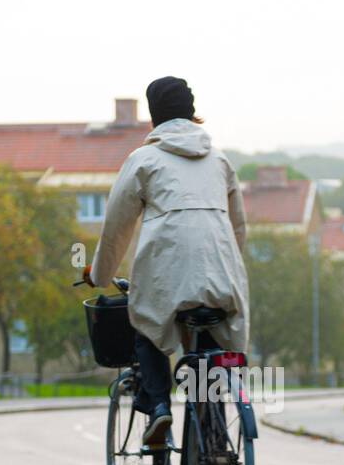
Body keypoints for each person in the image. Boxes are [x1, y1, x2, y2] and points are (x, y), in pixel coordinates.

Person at [83, 76, 249, 445]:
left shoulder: (143, 160)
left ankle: (158, 409)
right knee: (210, 349)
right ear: (193, 114)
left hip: (167, 274)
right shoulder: (220, 160)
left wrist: (99, 274)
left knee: (144, 324)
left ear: (153, 117)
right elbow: (238, 229)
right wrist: (232, 274)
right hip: (222, 273)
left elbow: (116, 228)